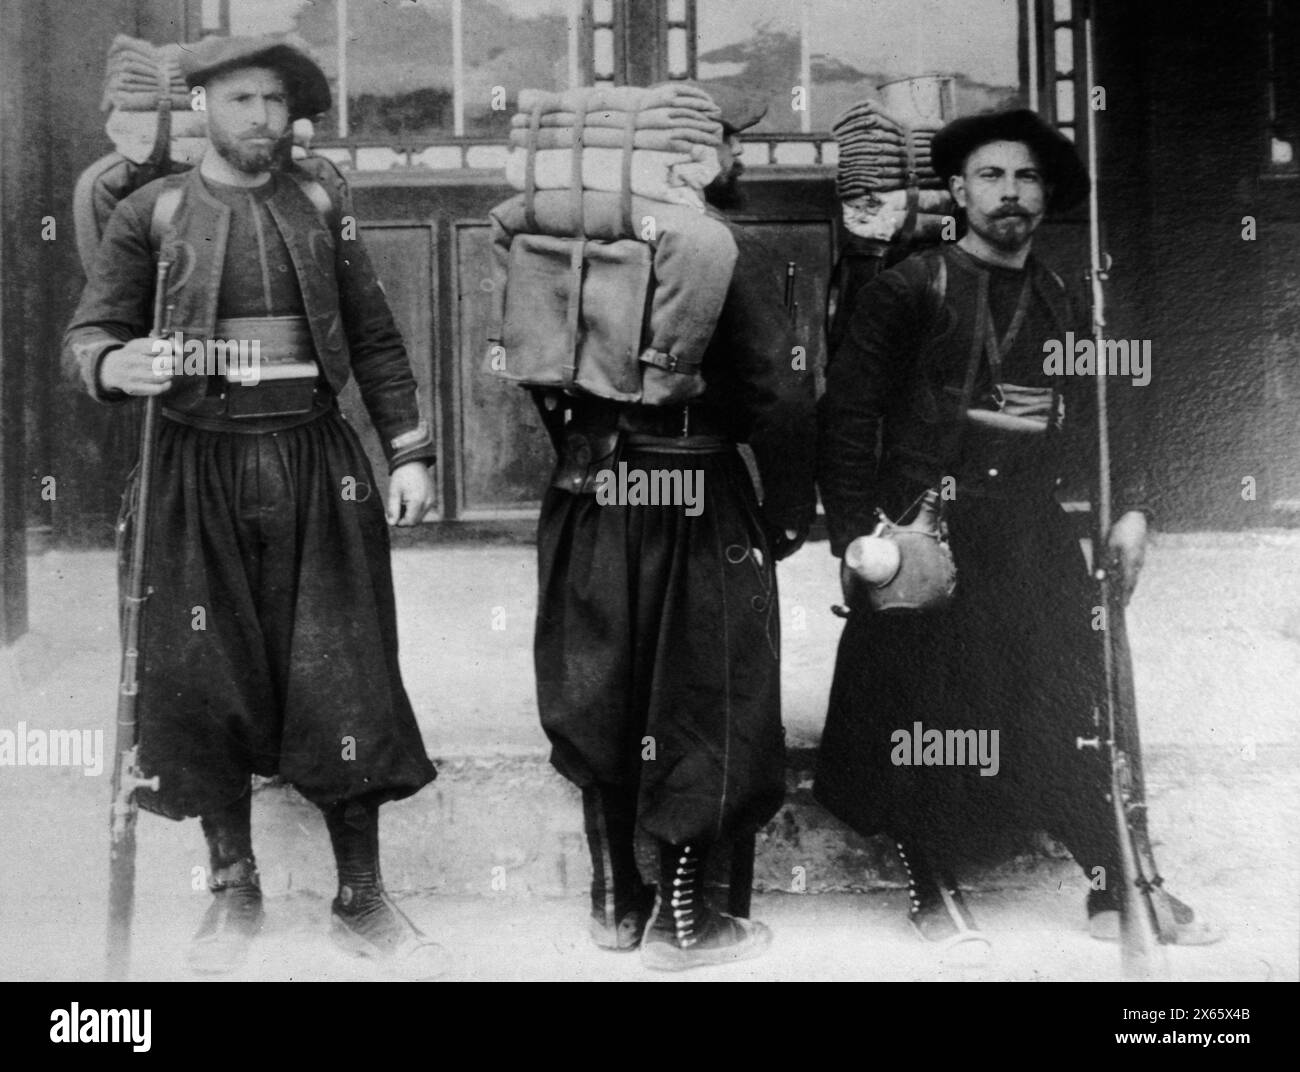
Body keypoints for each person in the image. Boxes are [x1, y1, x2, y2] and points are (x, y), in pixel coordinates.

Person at [63, 35, 443, 978]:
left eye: (275, 102)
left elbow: (376, 336)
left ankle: (359, 896)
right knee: (204, 673)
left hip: (316, 460)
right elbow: (89, 331)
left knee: (343, 671)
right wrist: (115, 364)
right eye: (240, 101)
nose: (261, 120)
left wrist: (407, 452)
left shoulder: (320, 204)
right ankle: (233, 883)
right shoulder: (148, 214)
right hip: (195, 468)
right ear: (200, 109)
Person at [815, 109, 1219, 954]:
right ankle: (932, 884)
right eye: (992, 177)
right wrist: (861, 544)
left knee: (1070, 697)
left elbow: (1105, 417)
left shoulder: (1064, 294)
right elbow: (846, 419)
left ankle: (1114, 882)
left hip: (1028, 531)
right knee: (927, 707)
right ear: (958, 192)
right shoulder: (908, 288)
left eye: (1027, 178)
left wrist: (1131, 505)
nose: (1011, 194)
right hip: (928, 531)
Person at [526, 90, 817, 970]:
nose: (738, 157)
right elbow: (780, 394)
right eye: (728, 141)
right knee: (707, 693)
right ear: (696, 155)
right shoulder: (728, 248)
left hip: (591, 497)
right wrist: (784, 514)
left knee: (599, 686)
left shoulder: (558, 242)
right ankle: (687, 922)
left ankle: (615, 901)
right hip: (696, 496)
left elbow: (544, 384)